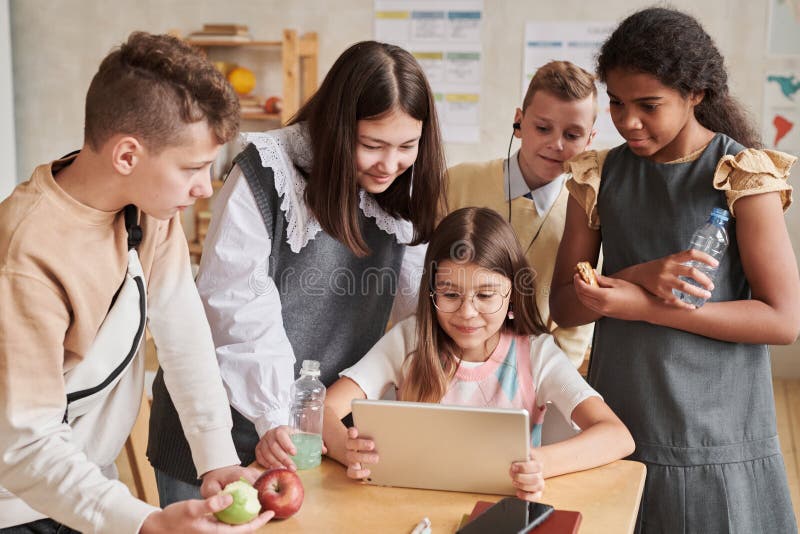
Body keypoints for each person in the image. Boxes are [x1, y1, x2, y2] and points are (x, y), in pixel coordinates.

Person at [148, 40, 448, 503]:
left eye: (408, 145)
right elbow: (238, 310)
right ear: (336, 128)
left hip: (317, 437)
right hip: (223, 439)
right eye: (372, 145)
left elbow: (413, 311)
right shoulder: (267, 170)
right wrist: (275, 417)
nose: (390, 164)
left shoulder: (403, 188)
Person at [0, 33, 273, 533]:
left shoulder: (149, 209)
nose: (204, 186)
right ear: (127, 155)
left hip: (81, 483)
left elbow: (183, 333)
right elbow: (26, 445)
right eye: (192, 168)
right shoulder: (27, 255)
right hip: (17, 501)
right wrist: (148, 523)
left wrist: (215, 458)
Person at [549, 8, 800, 533]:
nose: (628, 121)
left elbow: (782, 320)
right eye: (617, 103)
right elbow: (564, 307)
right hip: (623, 419)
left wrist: (647, 309)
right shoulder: (598, 176)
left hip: (718, 433)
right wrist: (640, 275)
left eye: (649, 105)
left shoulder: (743, 175)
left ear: (697, 95)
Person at [321, 207, 634, 500]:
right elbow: (321, 409)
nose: (467, 313)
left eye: (485, 295)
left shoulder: (536, 354)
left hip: (498, 512)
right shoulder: (409, 339)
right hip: (410, 505)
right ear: (431, 291)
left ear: (512, 294)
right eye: (450, 294)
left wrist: (540, 463)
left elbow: (617, 436)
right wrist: (343, 446)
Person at [446, 61, 598, 369]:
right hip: (447, 362)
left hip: (530, 376)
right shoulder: (457, 182)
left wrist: (539, 384)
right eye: (543, 128)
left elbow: (576, 327)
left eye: (572, 135)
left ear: (589, 141)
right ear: (518, 122)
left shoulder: (586, 210)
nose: (556, 144)